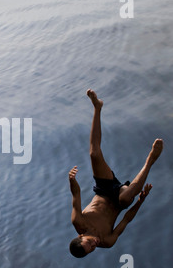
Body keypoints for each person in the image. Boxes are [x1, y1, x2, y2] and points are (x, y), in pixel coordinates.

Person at [68, 89, 163, 258]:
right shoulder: (107, 241)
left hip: (104, 189)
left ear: (80, 236)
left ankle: (97, 107)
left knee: (94, 154)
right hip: (120, 201)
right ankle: (151, 159)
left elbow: (76, 195)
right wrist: (141, 201)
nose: (94, 244)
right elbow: (126, 220)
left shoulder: (79, 222)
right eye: (92, 249)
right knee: (126, 198)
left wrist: (72, 180)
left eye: (89, 243)